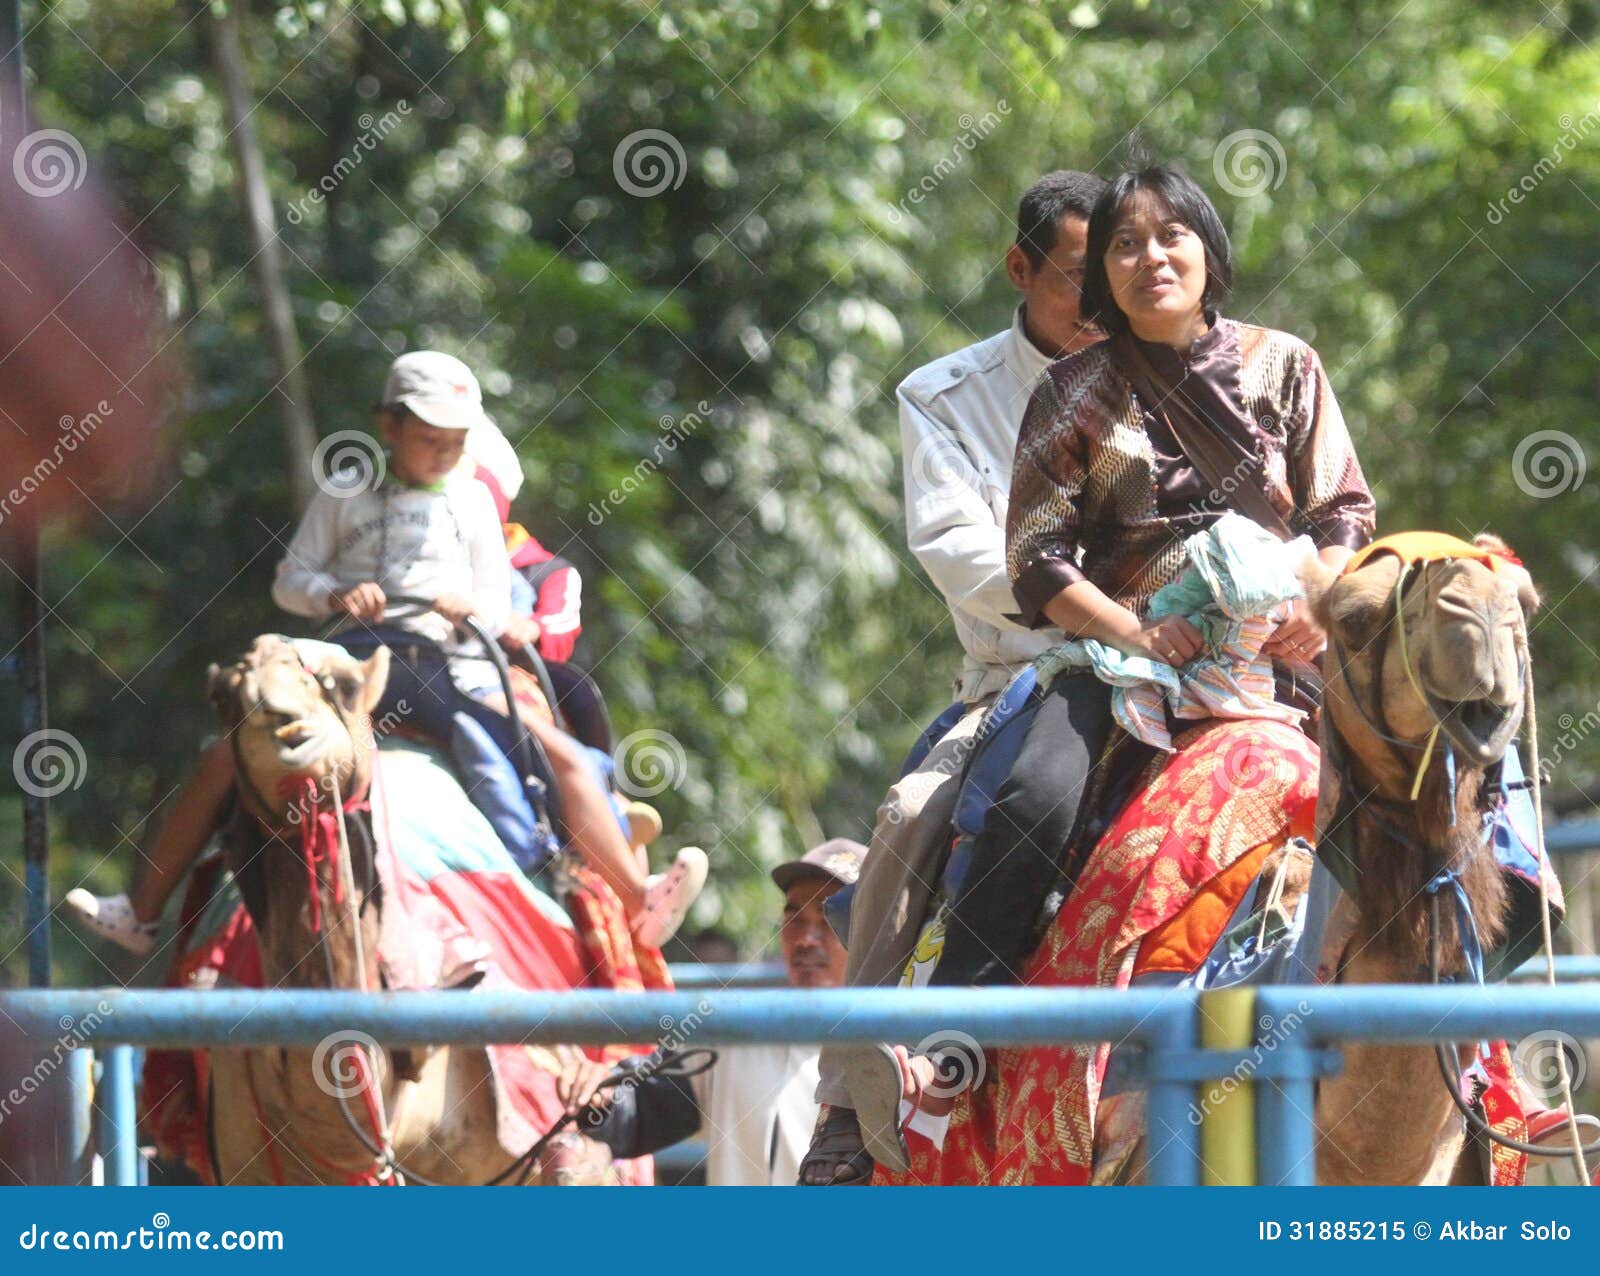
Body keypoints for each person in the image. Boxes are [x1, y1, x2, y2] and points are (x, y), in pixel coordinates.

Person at [849, 163, 1378, 1174]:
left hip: (1286, 656)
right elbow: (1034, 557)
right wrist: (1132, 631)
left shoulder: (1287, 364)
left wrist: (1317, 606)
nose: (1150, 259)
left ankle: (1493, 1057)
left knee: (1436, 763)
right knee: (1027, 798)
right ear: (1098, 276)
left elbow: (1343, 511)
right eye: (1124, 246)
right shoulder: (1070, 391)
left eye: (1171, 236)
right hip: (1122, 664)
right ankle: (950, 1046)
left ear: (1209, 250)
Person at [65, 352, 705, 957]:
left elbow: (496, 606)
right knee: (226, 754)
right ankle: (141, 912)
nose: (446, 453)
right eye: (431, 439)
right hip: (345, 666)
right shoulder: (345, 492)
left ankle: (635, 894)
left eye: (457, 441)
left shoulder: (474, 505)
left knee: (560, 755)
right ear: (389, 426)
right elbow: (290, 582)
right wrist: (336, 594)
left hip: (444, 666)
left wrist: (468, 609)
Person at [799, 169, 1109, 1185]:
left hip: (1200, 664)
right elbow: (959, 552)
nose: (1101, 303)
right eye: (1076, 278)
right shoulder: (943, 396)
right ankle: (851, 1106)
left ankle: (1466, 1054)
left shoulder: (1179, 372)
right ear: (1020, 268)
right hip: (1035, 670)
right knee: (914, 812)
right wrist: (1108, 613)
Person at [553, 839, 864, 1186]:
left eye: (829, 919)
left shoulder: (898, 1050)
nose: (806, 939)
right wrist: (602, 1093)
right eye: (794, 918)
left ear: (871, 931)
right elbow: (641, 1112)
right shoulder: (734, 1029)